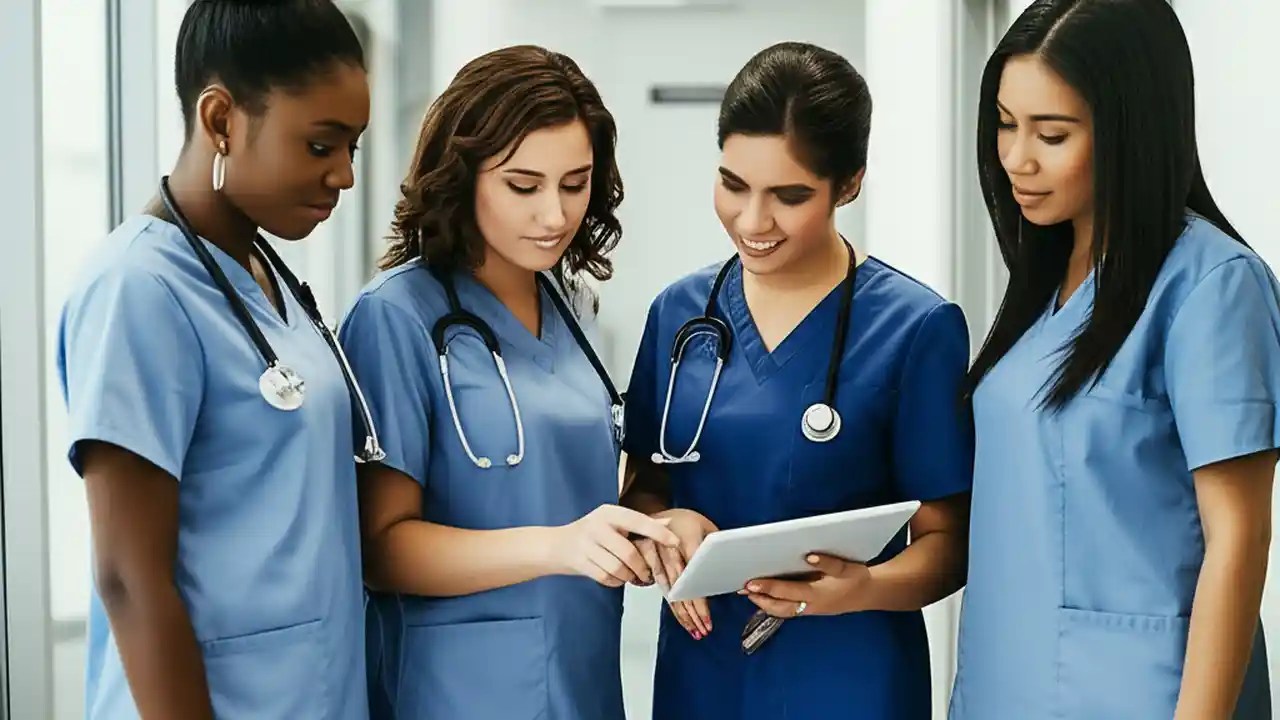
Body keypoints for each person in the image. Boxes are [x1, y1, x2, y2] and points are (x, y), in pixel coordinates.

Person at [620, 41, 975, 719]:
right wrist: (665, 529)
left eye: (789, 196)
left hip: (849, 673)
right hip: (705, 671)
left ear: (849, 184)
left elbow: (947, 544)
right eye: (733, 184)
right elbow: (642, 489)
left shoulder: (914, 327)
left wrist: (859, 588)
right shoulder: (679, 314)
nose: (753, 222)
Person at [949, 1, 1277, 718]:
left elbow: (1241, 536)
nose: (1016, 159)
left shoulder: (1211, 285)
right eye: (1005, 124)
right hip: (1006, 684)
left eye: (1052, 134)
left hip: (1147, 693)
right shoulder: (1044, 284)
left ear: (1132, 130)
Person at [337, 45, 679, 720]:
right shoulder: (395, 317)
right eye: (523, 186)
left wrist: (656, 527)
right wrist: (558, 545)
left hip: (582, 672)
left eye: (575, 184)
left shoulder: (571, 308)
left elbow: (571, 491)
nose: (554, 215)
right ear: (461, 178)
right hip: (457, 691)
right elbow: (381, 548)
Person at [55, 2, 373, 718]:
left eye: (353, 148)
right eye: (321, 146)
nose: (345, 177)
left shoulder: (265, 273)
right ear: (221, 119)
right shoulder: (138, 289)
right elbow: (128, 578)